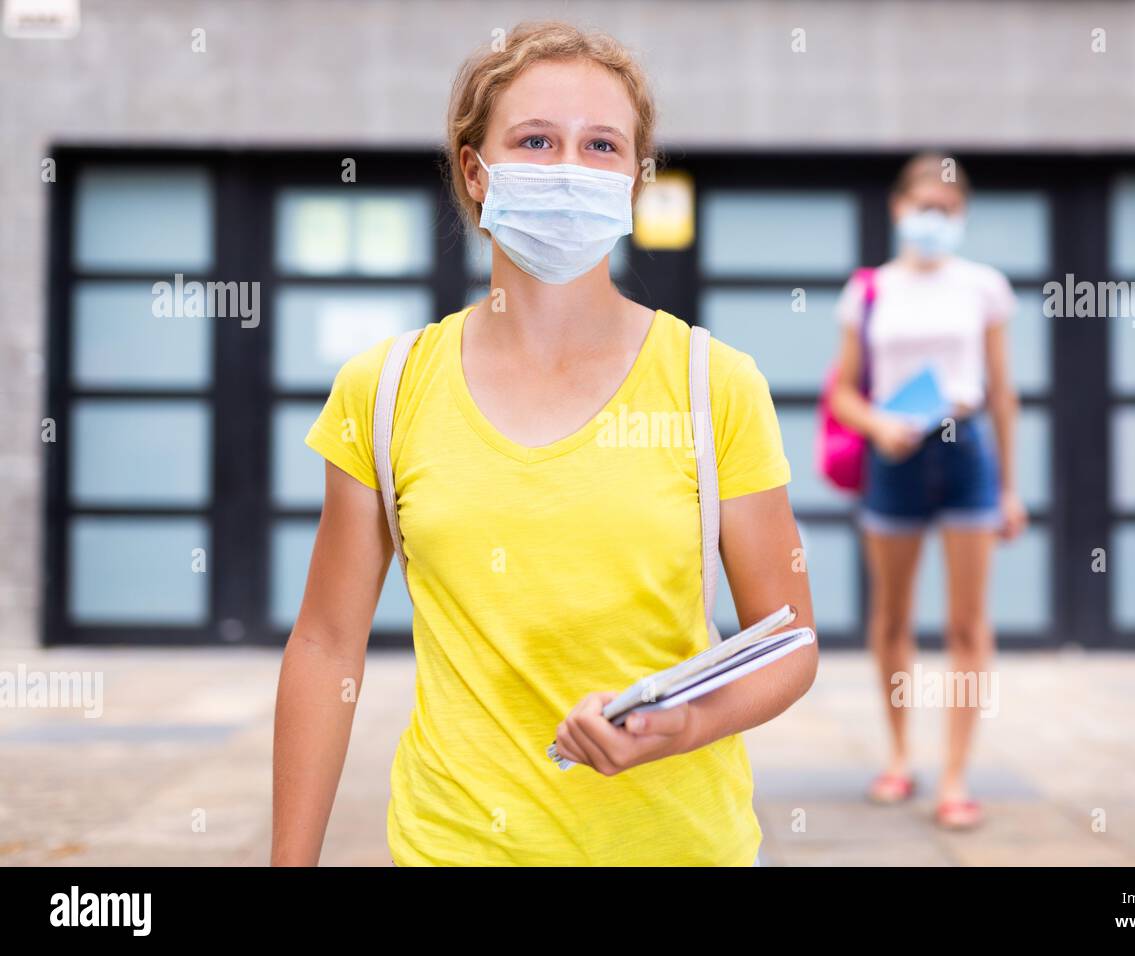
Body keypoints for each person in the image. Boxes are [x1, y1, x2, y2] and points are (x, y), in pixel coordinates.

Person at [271, 20, 815, 867]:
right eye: (535, 140)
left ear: (637, 179)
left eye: (602, 145)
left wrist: (686, 726)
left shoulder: (714, 384)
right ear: (474, 171)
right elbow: (324, 646)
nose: (569, 167)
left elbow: (789, 639)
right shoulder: (383, 389)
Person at [828, 153, 1026, 830]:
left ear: (961, 215)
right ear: (898, 209)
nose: (933, 219)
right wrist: (878, 423)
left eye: (946, 208)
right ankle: (898, 755)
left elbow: (1003, 392)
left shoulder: (984, 287)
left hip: (966, 451)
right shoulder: (870, 290)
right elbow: (841, 394)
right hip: (896, 455)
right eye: (922, 206)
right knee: (891, 619)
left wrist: (1011, 489)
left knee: (969, 624)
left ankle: (955, 774)